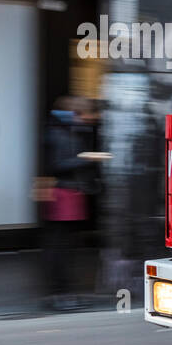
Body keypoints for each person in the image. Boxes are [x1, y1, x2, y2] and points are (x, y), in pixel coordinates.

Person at [40, 96, 101, 310]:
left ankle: (63, 293)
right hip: (64, 195)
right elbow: (57, 164)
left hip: (67, 194)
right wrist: (86, 158)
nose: (92, 121)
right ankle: (61, 294)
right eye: (89, 116)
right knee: (61, 248)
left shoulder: (64, 129)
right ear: (78, 114)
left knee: (64, 247)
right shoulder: (61, 132)